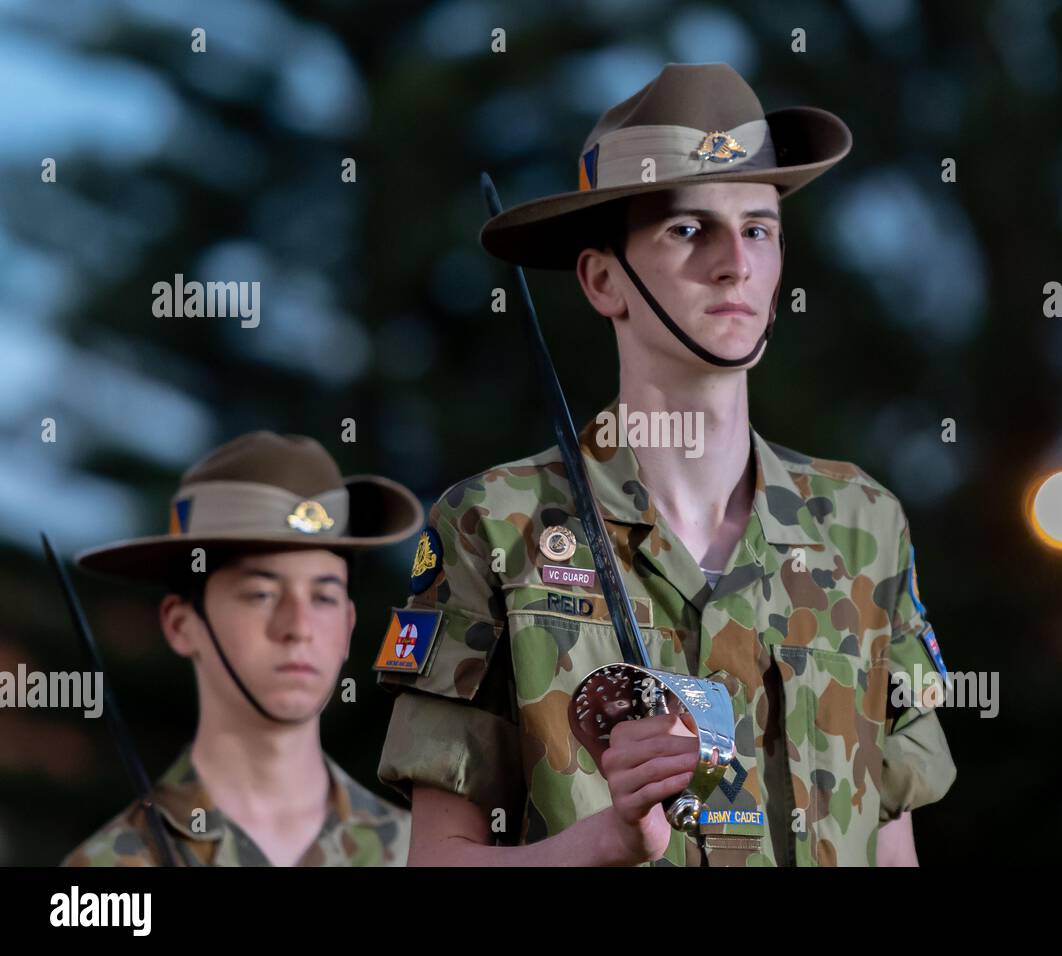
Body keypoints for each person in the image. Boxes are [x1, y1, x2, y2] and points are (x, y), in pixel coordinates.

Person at [377, 62, 956, 867]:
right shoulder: (495, 526)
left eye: (757, 229)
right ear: (603, 280)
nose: (734, 264)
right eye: (688, 230)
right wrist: (595, 845)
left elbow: (894, 853)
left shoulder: (863, 525)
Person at [62, 431, 423, 866]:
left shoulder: (417, 854)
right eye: (260, 595)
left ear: (348, 625)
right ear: (182, 624)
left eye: (324, 597)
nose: (298, 628)